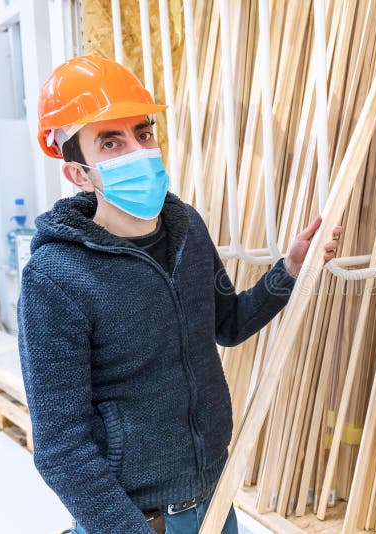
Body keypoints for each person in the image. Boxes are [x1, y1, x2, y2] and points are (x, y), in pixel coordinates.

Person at [18, 55, 342, 534]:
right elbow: (61, 449)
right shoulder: (55, 277)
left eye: (142, 133)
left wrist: (289, 270)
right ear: (79, 175)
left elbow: (227, 324)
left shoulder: (185, 226)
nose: (138, 152)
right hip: (136, 522)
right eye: (110, 141)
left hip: (216, 499)